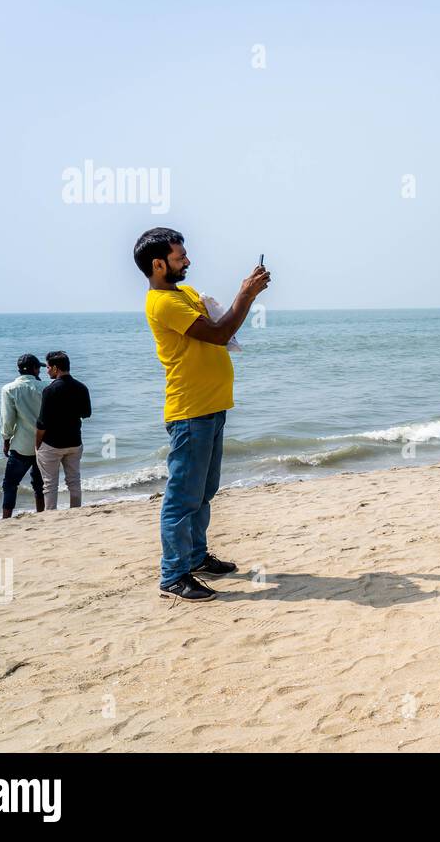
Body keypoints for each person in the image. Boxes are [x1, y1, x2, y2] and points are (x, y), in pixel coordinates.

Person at [135, 227, 269, 603]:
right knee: (182, 496)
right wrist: (247, 294)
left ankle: (194, 557)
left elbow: (220, 328)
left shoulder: (185, 294)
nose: (188, 262)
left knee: (204, 490)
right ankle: (173, 575)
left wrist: (240, 299)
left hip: (211, 407)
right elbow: (217, 332)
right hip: (190, 410)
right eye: (179, 258)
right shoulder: (163, 303)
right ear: (158, 264)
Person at [35, 351, 92, 510]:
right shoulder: (81, 387)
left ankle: (51, 513)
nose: (46, 371)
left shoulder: (50, 390)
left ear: (55, 368)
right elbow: (86, 413)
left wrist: (37, 443)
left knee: (50, 484)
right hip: (74, 441)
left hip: (52, 443)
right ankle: (76, 509)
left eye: (47, 367)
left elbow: (42, 422)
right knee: (74, 480)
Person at [0, 354, 46, 518]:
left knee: (10, 484)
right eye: (38, 368)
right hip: (44, 444)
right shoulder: (45, 387)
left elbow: (8, 420)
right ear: (35, 369)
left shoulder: (9, 389)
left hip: (21, 445)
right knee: (39, 484)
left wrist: (6, 440)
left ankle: (6, 518)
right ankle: (41, 513)